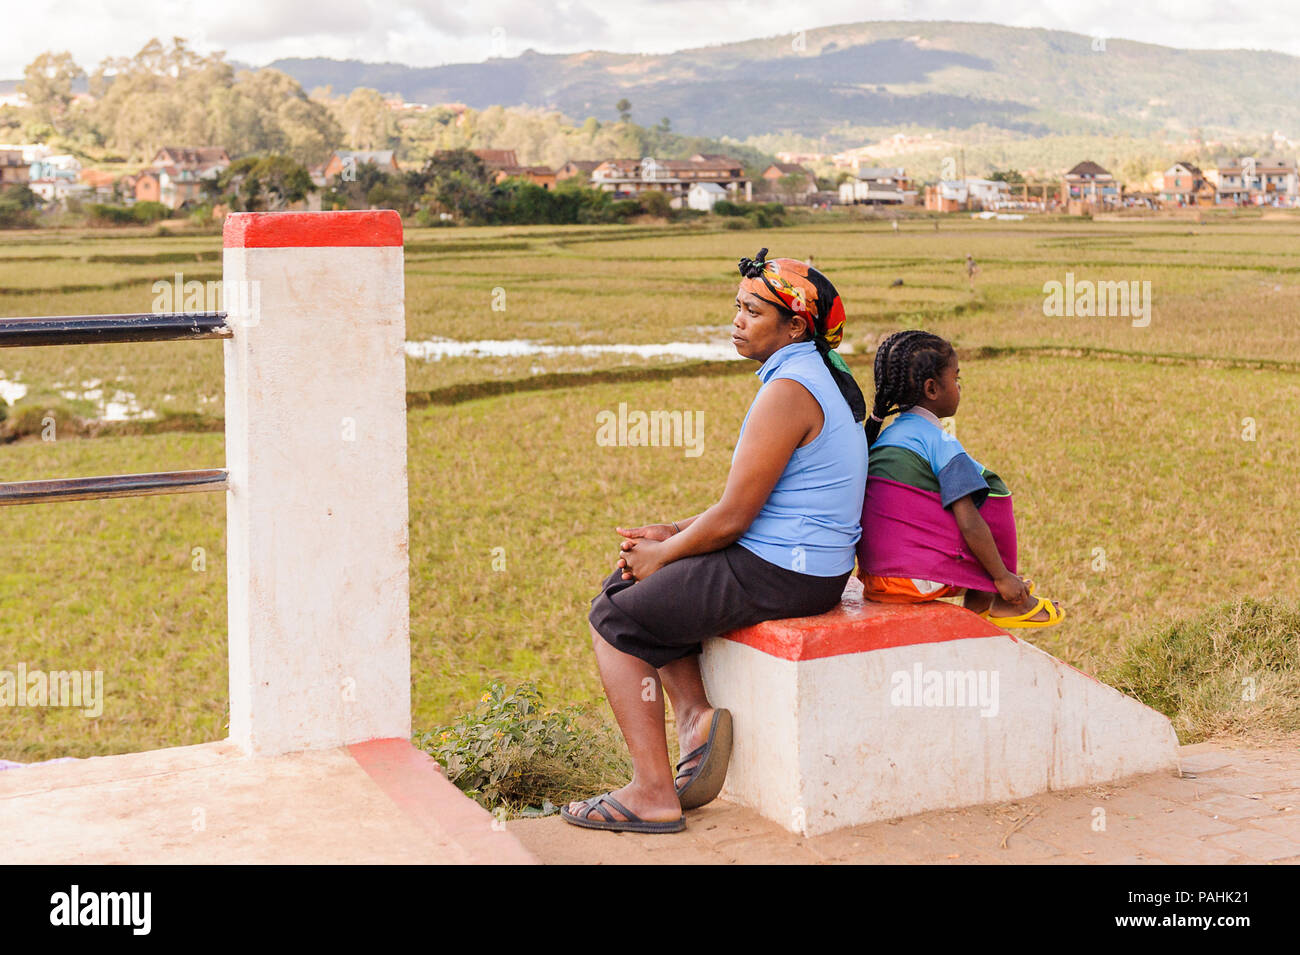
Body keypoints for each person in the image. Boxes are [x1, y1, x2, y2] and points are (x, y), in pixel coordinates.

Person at [564, 248, 869, 833]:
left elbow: (733, 519)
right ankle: (696, 719)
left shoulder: (789, 390)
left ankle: (652, 791)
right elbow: (753, 506)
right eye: (737, 307)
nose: (737, 321)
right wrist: (672, 535)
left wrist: (666, 551)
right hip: (802, 564)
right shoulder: (815, 375)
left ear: (795, 326)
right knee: (629, 581)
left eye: (753, 311)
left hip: (785, 570)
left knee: (614, 619)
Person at [856, 329, 1064, 627]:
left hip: (876, 578)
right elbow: (969, 520)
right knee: (989, 494)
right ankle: (1003, 600)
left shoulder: (885, 437)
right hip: (913, 581)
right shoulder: (941, 442)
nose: (959, 387)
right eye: (956, 379)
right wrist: (1003, 577)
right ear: (932, 389)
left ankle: (981, 607)